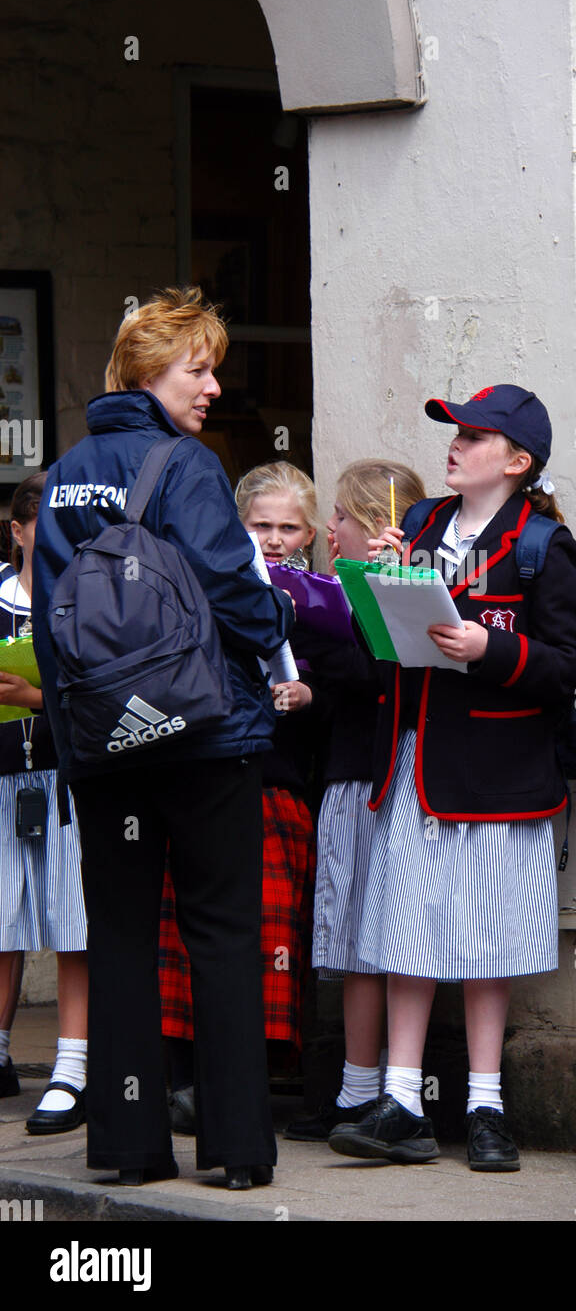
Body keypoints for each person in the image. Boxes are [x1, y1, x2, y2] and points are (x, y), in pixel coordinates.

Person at [31, 287, 294, 1189]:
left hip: (106, 743)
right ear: (147, 372)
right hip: (203, 733)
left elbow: (51, 617)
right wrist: (277, 628)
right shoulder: (185, 466)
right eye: (198, 367)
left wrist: (74, 745)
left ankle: (128, 1144)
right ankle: (234, 1149)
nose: (213, 385)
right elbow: (229, 585)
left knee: (123, 937)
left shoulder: (64, 472)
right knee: (222, 932)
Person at [327, 384, 576, 1171]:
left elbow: (571, 669)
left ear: (517, 462)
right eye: (453, 431)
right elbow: (378, 650)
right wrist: (375, 589)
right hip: (413, 757)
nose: (454, 445)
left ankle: (485, 1105)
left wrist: (492, 650)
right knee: (407, 929)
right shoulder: (419, 525)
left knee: (487, 939)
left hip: (498, 769)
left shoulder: (542, 543)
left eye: (474, 437)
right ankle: (401, 1101)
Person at [159, 461, 320, 1131]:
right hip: (213, 775)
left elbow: (358, 682)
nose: (275, 538)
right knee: (186, 931)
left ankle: (249, 1079)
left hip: (282, 786)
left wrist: (312, 694)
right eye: (261, 524)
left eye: (288, 526)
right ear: (235, 525)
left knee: (270, 938)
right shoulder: (212, 587)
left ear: (310, 533)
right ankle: (182, 1078)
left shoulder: (322, 599)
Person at [284, 459, 426, 1142]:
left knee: (379, 932)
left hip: (379, 773)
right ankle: (354, 1087)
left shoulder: (408, 581)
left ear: (369, 523)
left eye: (337, 516)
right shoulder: (325, 584)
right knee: (350, 937)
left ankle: (377, 1092)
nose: (327, 530)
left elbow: (381, 672)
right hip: (344, 770)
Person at [0, 474, 88, 1134]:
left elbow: (107, 693)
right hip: (3, 775)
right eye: (44, 529)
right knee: (0, 923)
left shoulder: (87, 600)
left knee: (71, 922)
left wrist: (40, 700)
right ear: (19, 530)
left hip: (67, 779)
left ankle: (72, 1064)